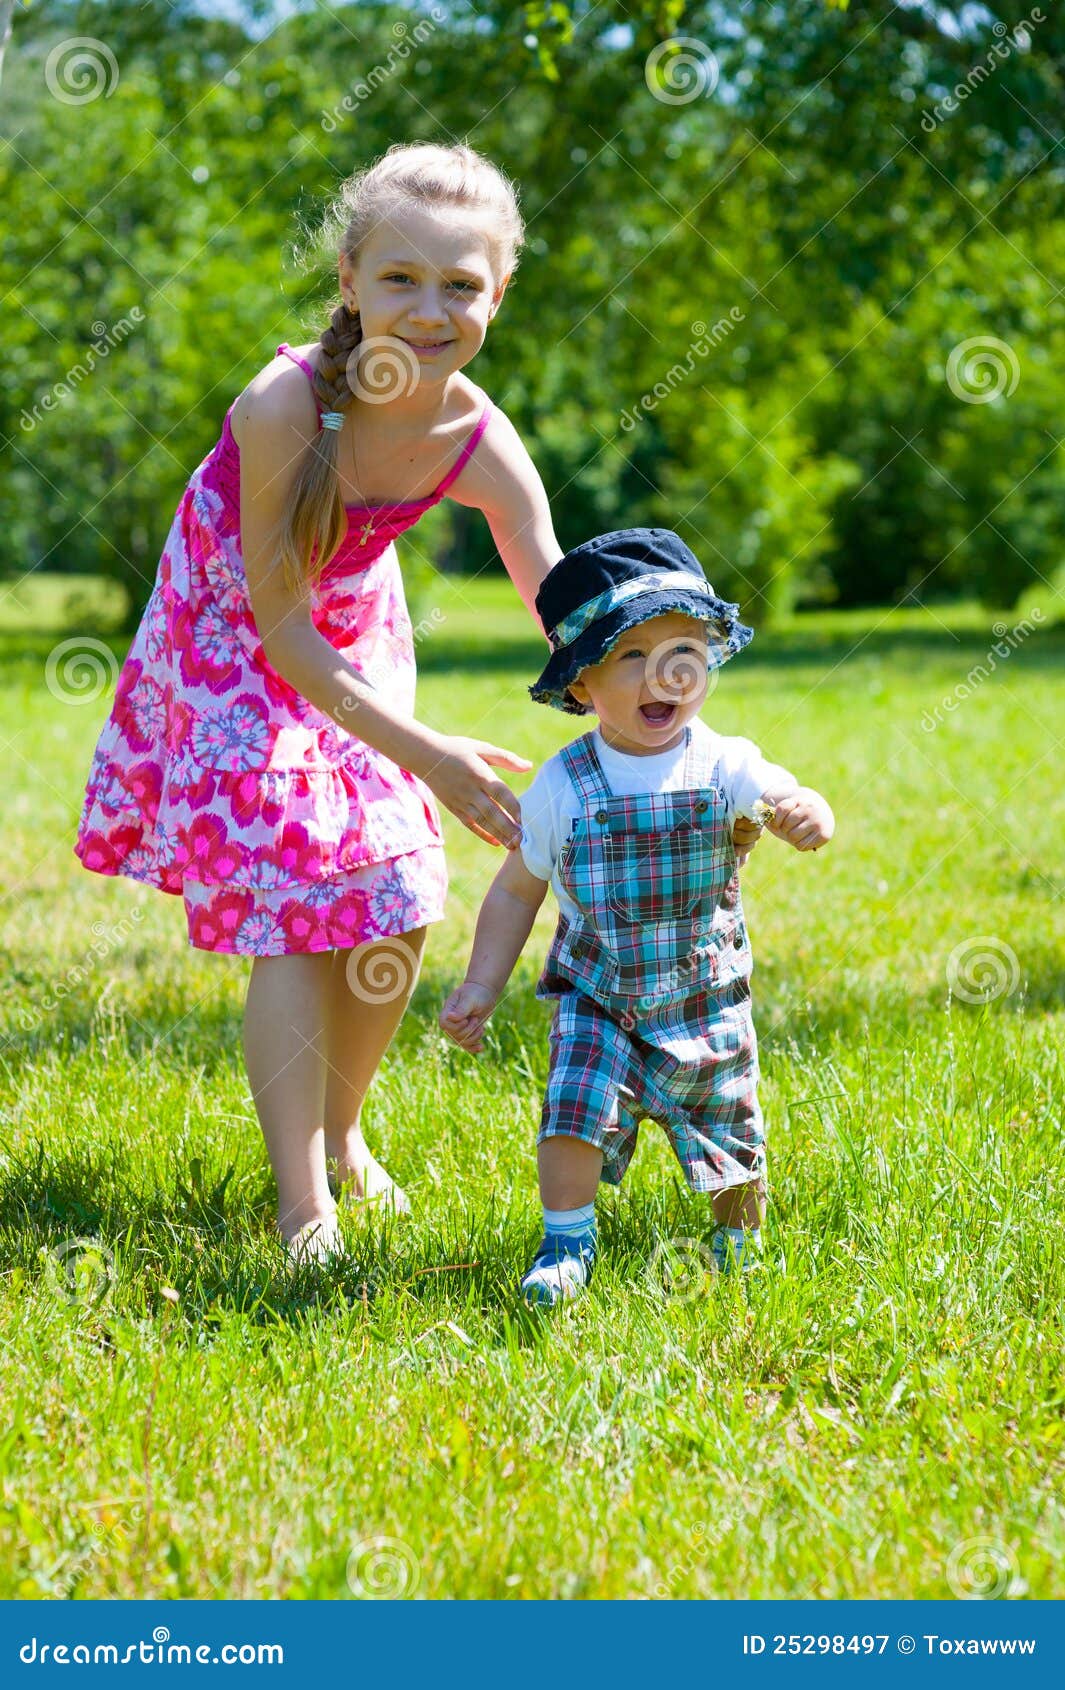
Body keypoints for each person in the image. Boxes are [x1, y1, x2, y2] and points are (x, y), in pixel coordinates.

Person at [75, 142, 563, 1263]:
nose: (429, 309)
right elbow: (280, 631)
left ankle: (345, 1136)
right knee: (296, 890)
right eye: (401, 278)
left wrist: (652, 700)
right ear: (349, 278)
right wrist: (431, 755)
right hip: (239, 634)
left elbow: (560, 596)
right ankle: (303, 1205)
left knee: (397, 884)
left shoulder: (479, 439)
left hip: (353, 634)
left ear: (500, 294)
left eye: (462, 285)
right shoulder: (285, 402)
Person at [439, 529, 835, 1306]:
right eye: (630, 654)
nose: (666, 673)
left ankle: (738, 1243)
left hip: (702, 992)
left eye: (684, 648)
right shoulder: (564, 784)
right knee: (570, 1114)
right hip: (597, 995)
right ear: (580, 684)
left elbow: (784, 792)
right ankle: (566, 1242)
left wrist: (802, 811)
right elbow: (517, 890)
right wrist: (482, 983)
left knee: (732, 1134)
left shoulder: (723, 762)